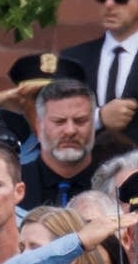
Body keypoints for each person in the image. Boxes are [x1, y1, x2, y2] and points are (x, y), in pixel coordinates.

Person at [64, 0, 138, 136]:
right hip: (86, 161)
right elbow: (55, 119)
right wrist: (99, 117)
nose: (109, 4)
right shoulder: (72, 60)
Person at [20, 77, 98, 209]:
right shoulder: (11, 184)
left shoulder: (115, 185)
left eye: (80, 120)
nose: (70, 131)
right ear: (39, 126)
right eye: (59, 121)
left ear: (94, 125)